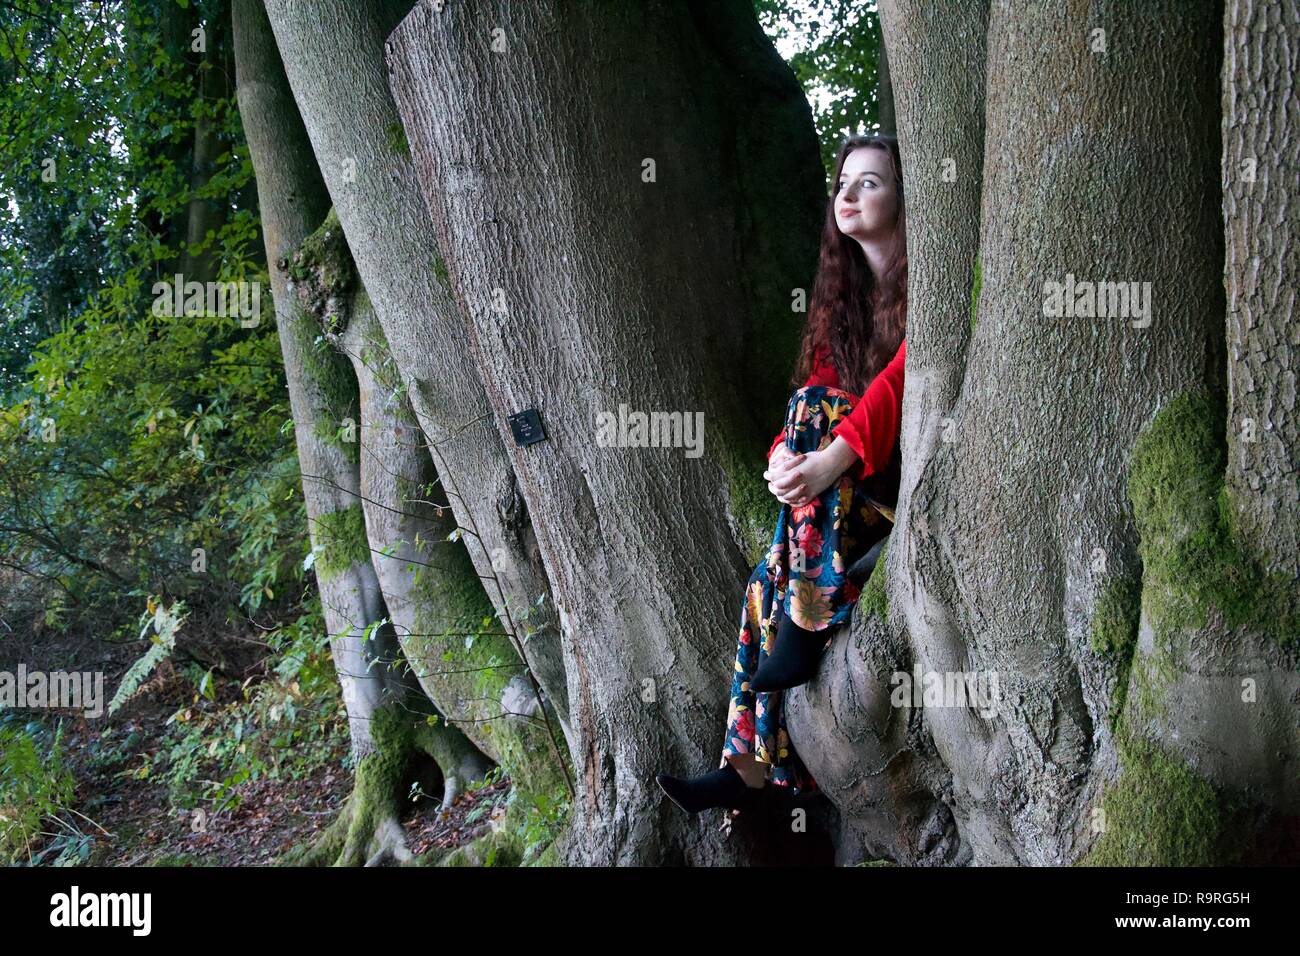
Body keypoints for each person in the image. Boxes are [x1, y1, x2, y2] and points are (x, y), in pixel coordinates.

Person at [656, 133, 908, 815]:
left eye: (871, 182)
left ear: (904, 199)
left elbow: (901, 381)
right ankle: (745, 767)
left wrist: (832, 456)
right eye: (844, 184)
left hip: (892, 491)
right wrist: (781, 457)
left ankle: (804, 624)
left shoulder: (928, 287)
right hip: (833, 510)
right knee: (764, 578)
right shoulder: (842, 306)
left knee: (817, 418)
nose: (850, 194)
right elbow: (812, 398)